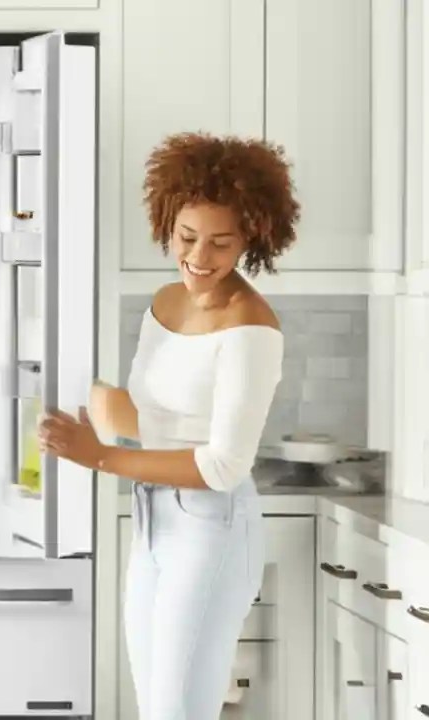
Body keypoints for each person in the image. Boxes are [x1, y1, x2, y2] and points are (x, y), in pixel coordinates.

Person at [38, 132, 300, 720]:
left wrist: (97, 456)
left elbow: (222, 465)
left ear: (252, 237)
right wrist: (70, 393)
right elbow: (152, 418)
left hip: (212, 529)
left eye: (220, 242)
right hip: (153, 523)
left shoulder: (251, 326)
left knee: (177, 712)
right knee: (154, 706)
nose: (199, 256)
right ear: (167, 222)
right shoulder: (165, 301)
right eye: (187, 236)